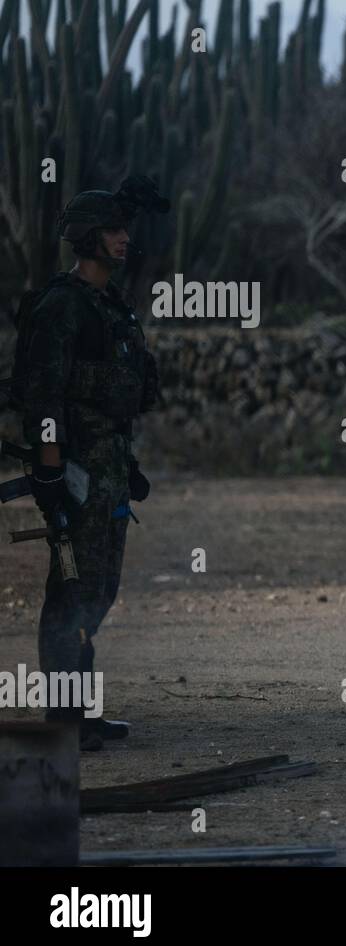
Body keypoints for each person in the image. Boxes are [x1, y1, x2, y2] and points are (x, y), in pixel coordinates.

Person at [14, 184, 161, 751]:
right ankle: (62, 719)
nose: (125, 239)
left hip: (109, 470)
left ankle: (81, 710)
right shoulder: (61, 306)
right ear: (87, 237)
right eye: (113, 230)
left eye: (125, 229)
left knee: (99, 589)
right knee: (72, 589)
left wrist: (126, 465)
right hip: (75, 472)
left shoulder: (111, 304)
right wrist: (50, 472)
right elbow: (43, 397)